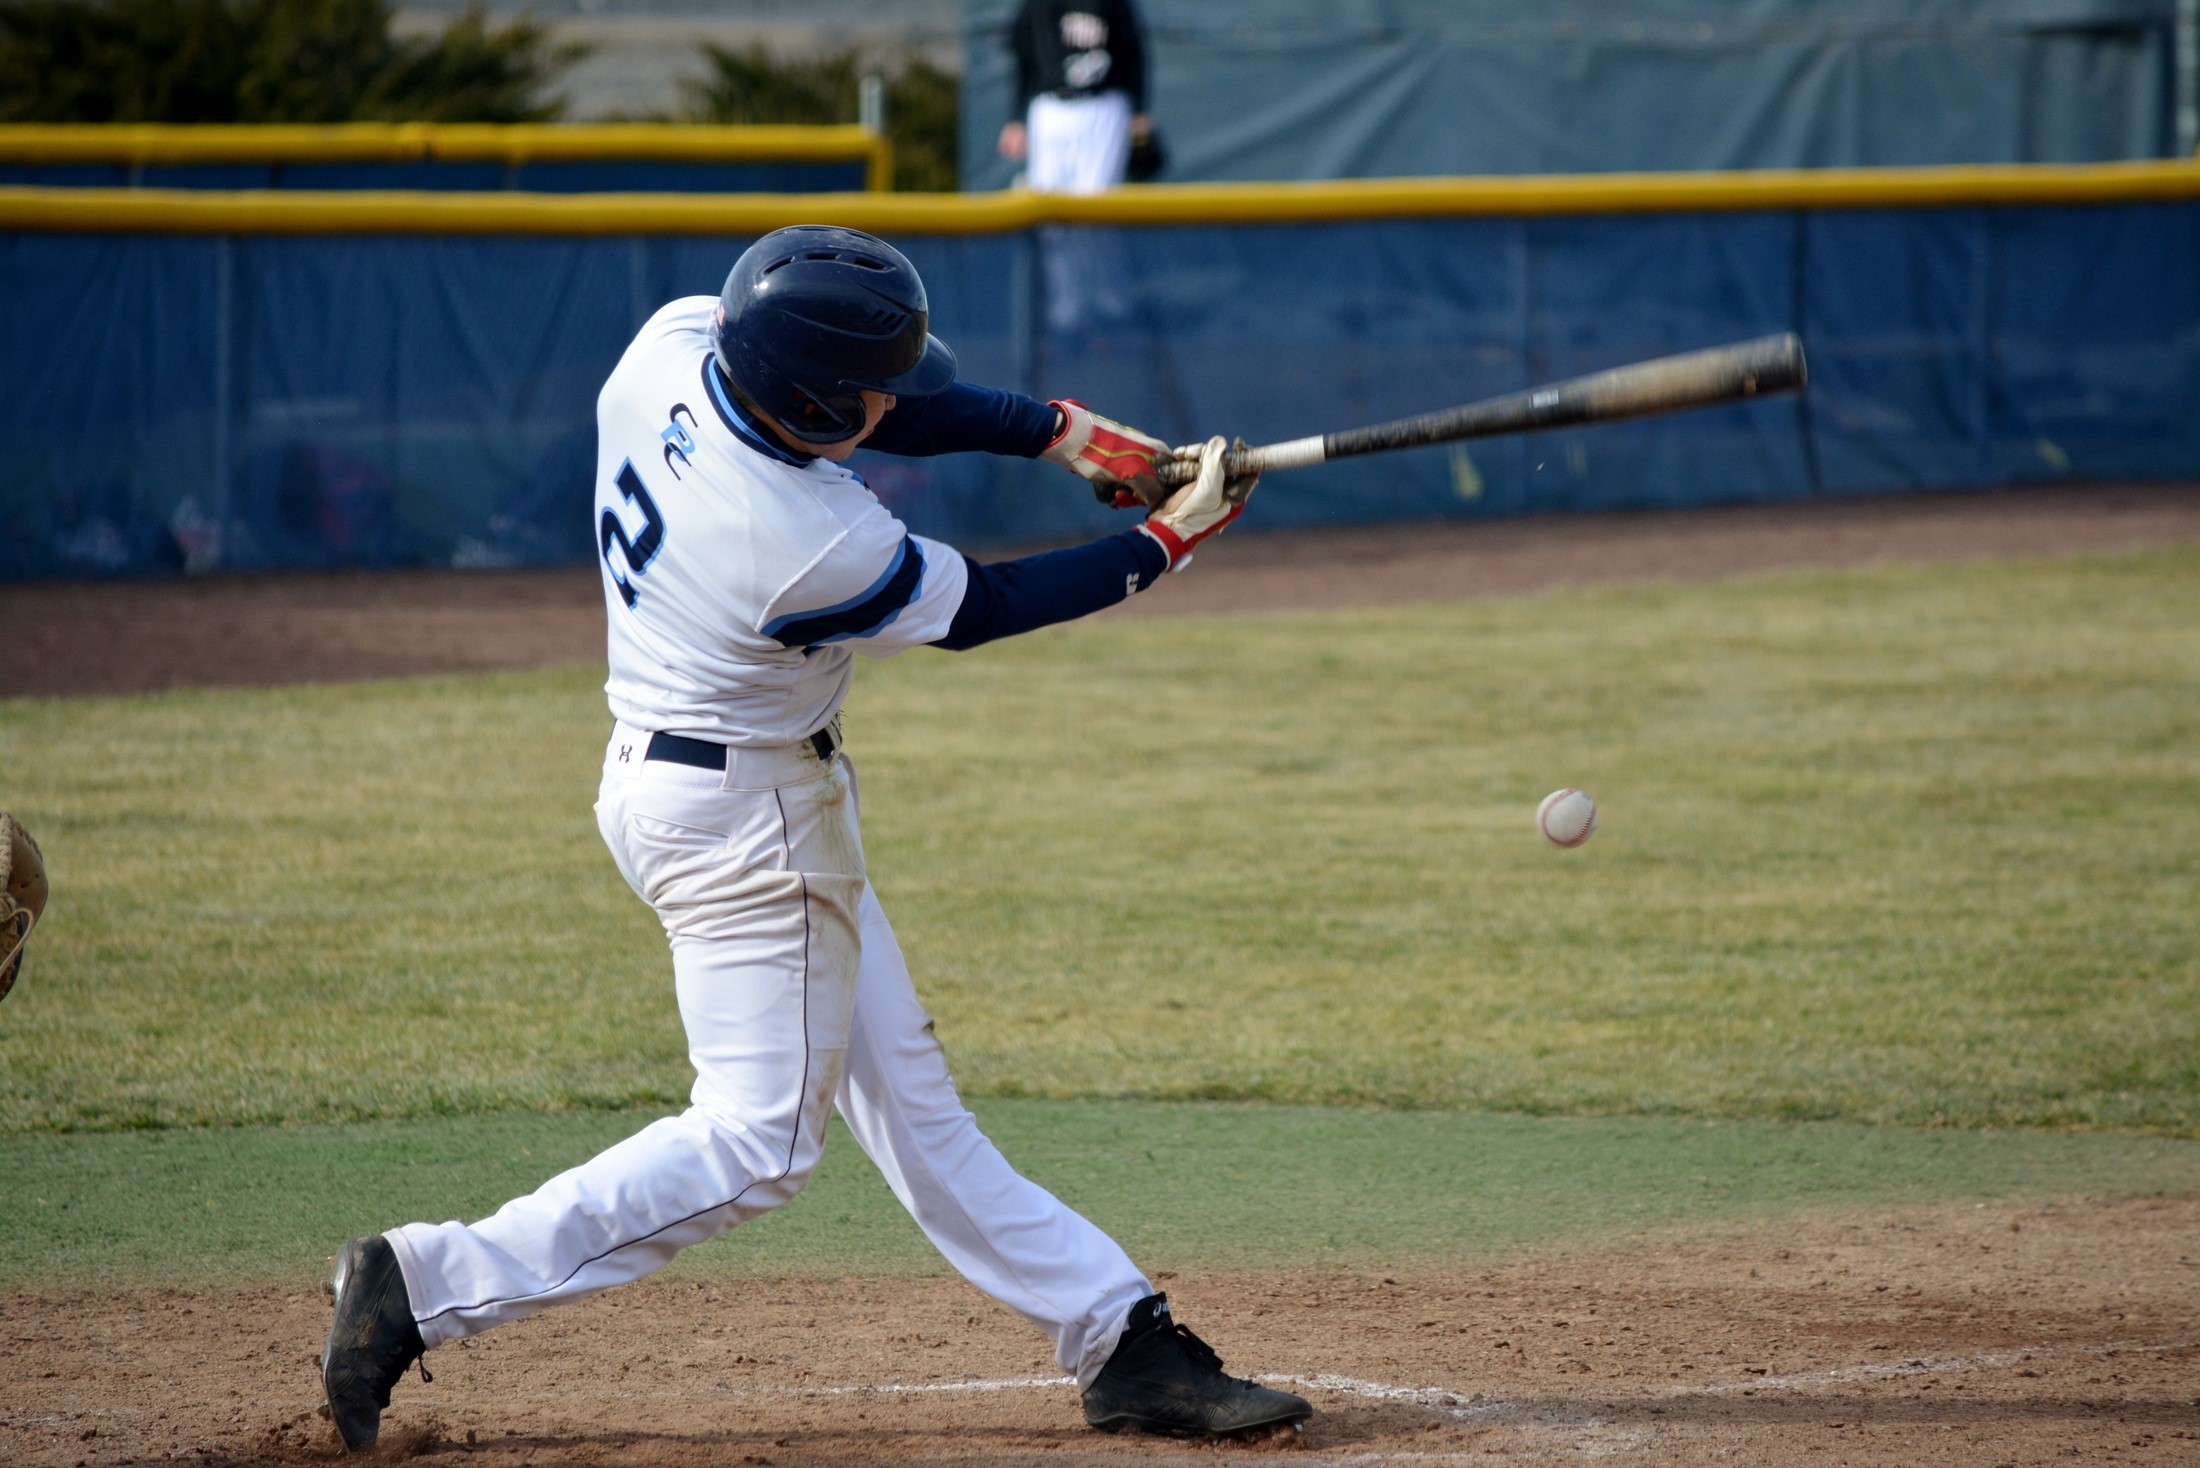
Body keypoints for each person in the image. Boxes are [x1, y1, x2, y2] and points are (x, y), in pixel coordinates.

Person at [319, 225, 1312, 1451]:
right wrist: (1167, 541)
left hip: (676, 776)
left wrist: (1060, 432)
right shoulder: (809, 545)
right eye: (869, 390)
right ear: (809, 404)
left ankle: (1124, 1341)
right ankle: (422, 1286)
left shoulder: (673, 344)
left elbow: (861, 409)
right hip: (751, 831)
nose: (893, 400)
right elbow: (985, 605)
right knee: (757, 1143)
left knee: (916, 1111)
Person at [998, 0, 1153, 194]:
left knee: (1097, 199)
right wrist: (1016, 119)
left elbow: (1133, 54)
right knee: (1047, 197)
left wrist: (1138, 110)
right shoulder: (1036, 5)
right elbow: (1024, 60)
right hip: (1050, 106)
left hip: (1102, 106)